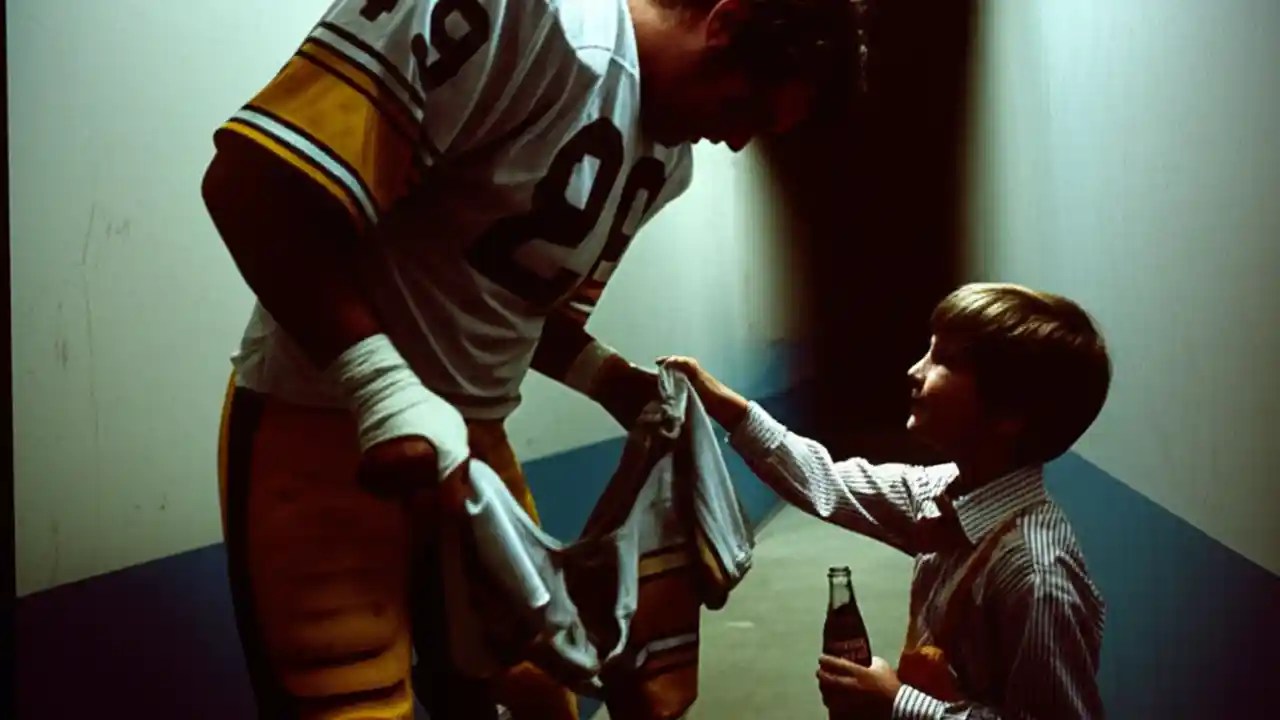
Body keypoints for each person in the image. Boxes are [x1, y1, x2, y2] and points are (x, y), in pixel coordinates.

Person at [201, 0, 862, 718]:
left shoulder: (665, 158)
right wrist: (381, 386)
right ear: (725, 21)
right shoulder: (526, 17)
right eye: (745, 106)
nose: (734, 141)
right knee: (350, 695)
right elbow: (251, 183)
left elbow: (514, 303)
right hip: (321, 418)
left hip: (473, 440)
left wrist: (609, 379)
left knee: (542, 690)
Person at [661, 281, 1111, 719]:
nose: (914, 371)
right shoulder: (940, 494)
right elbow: (827, 481)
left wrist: (897, 702)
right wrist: (720, 401)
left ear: (1010, 414)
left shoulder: (1034, 572)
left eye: (944, 361)